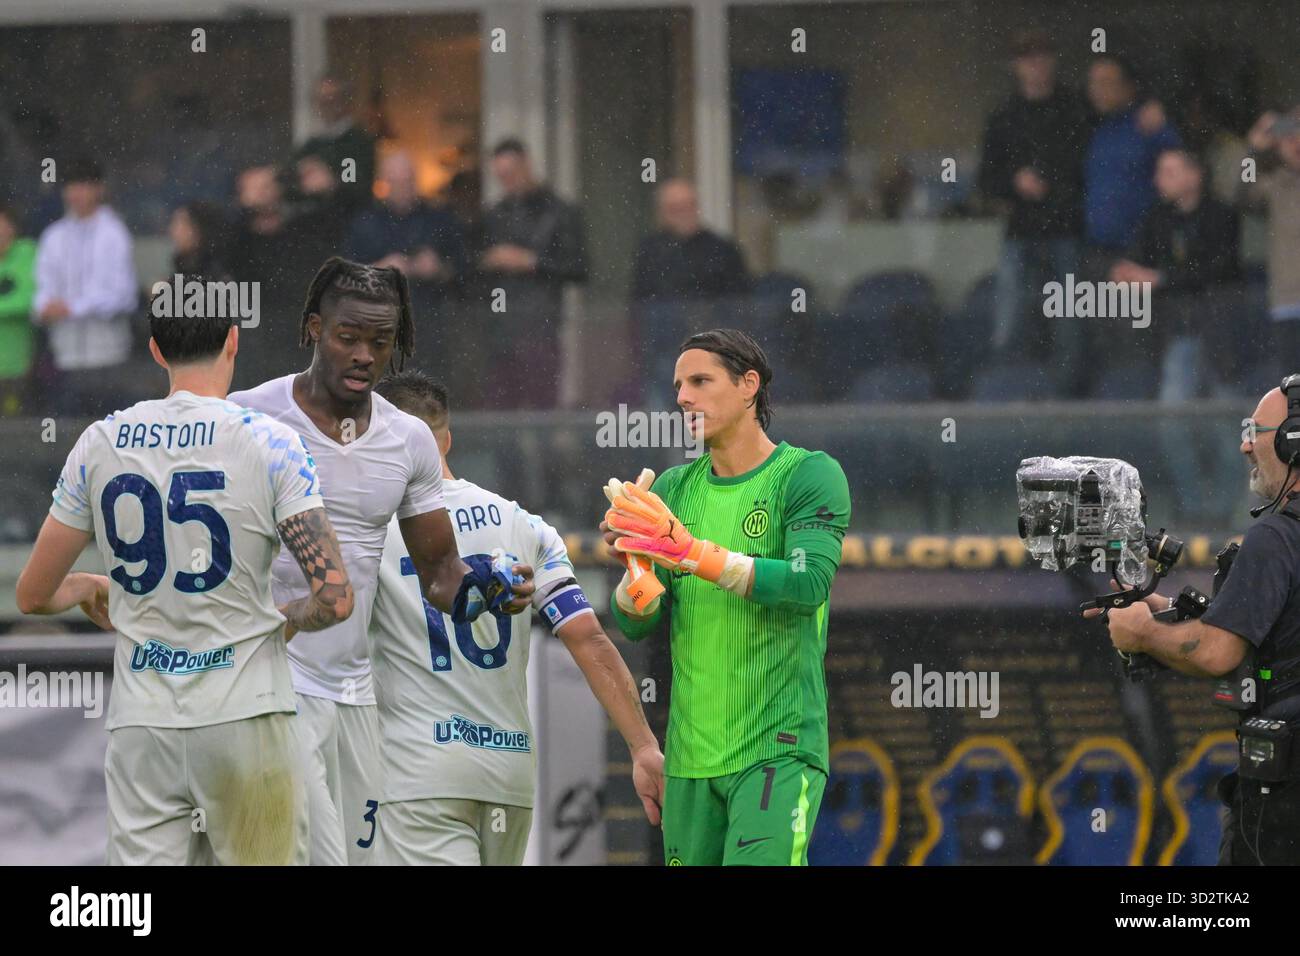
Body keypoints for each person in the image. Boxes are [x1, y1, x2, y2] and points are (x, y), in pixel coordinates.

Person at [15, 283, 356, 865]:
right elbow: (334, 597)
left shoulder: (99, 442)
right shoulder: (271, 443)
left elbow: (32, 595)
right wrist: (280, 621)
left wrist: (88, 587)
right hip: (244, 713)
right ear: (232, 340)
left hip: (143, 723)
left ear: (154, 350)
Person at [228, 256, 535, 865]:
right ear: (314, 328)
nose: (365, 354)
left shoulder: (408, 439)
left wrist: (488, 590)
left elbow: (442, 577)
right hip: (274, 682)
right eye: (349, 337)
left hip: (359, 697)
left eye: (381, 341)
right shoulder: (252, 416)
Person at [367, 371, 665, 864]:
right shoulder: (521, 523)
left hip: (416, 776)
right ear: (446, 439)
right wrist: (642, 747)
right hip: (507, 775)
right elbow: (589, 640)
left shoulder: (371, 528)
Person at [601, 329, 851, 866]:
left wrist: (691, 552)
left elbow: (808, 586)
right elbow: (637, 623)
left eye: (700, 381)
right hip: (689, 761)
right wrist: (636, 566)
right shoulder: (673, 489)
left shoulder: (809, 474)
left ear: (749, 386)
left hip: (776, 749)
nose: (683, 397)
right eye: (678, 386)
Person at [1095, 378, 1300, 865]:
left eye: (1255, 431)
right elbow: (1254, 627)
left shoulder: (1276, 536)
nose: (1244, 445)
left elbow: (1217, 651)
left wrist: (1142, 632)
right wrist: (1157, 606)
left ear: (1294, 440)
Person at [977, 29, 1089, 388]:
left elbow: (1091, 167)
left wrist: (1058, 184)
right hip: (1021, 231)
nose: (1036, 66)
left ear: (1052, 62)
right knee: (1010, 316)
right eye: (1028, 59)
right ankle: (1007, 392)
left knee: (1068, 321)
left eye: (1041, 58)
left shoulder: (1076, 110)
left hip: (1067, 230)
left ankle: (1065, 397)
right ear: (1016, 67)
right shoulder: (1003, 117)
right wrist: (1015, 183)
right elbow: (985, 180)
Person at [474, 138, 587, 409]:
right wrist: (488, 261)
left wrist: (532, 262)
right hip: (500, 329)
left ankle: (544, 451)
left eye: (511, 174)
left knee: (542, 407)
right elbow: (472, 268)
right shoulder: (494, 215)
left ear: (526, 166)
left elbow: (579, 267)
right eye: (501, 176)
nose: (507, 181)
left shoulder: (559, 212)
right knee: (502, 412)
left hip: (541, 326)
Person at [32, 157, 138, 417]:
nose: (76, 193)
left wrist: (72, 308)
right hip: (64, 356)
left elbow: (123, 296)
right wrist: (44, 307)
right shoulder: (53, 236)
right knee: (65, 443)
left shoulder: (114, 233)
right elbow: (42, 287)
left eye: (83, 186)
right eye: (71, 186)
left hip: (108, 357)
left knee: (107, 439)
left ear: (98, 190)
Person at [1242, 108, 1300, 358]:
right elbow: (1243, 193)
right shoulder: (1275, 183)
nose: (1296, 143)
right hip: (1288, 300)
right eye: (1289, 137)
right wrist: (1253, 150)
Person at [292, 75, 377, 217]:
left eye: (332, 99)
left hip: (348, 224)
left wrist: (331, 183)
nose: (326, 105)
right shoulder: (312, 144)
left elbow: (356, 187)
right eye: (321, 100)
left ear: (345, 101)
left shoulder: (356, 142)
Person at [0, 203, 37, 414]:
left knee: (16, 434)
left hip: (17, 369)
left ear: (12, 228)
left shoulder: (27, 253)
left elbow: (29, 300)